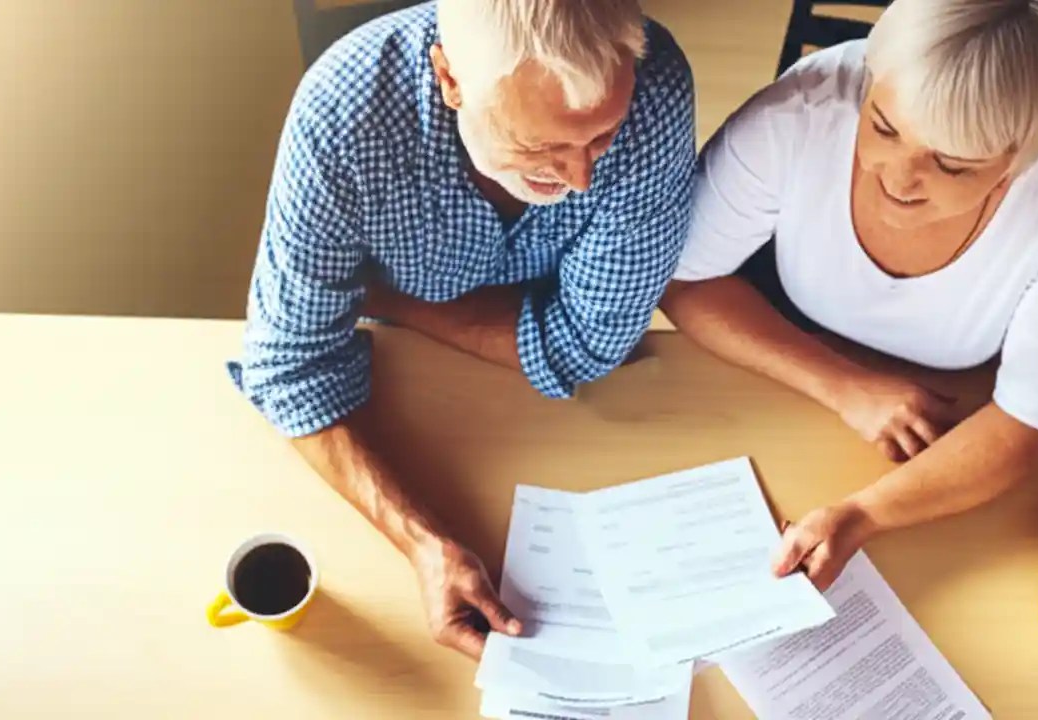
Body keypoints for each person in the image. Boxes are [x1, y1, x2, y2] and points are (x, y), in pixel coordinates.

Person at [229, 0, 694, 659]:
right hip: (410, 384)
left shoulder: (656, 86)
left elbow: (591, 343)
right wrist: (423, 544)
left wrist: (390, 297)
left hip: (541, 415)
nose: (581, 177)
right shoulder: (339, 114)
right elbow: (291, 368)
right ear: (450, 79)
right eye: (538, 146)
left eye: (602, 137)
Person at [662, 0, 1038, 590]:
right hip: (785, 359)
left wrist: (864, 514)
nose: (896, 178)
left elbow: (1030, 419)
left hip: (956, 402)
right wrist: (844, 386)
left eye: (953, 164)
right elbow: (683, 278)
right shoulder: (799, 114)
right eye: (884, 127)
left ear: (1024, 157)